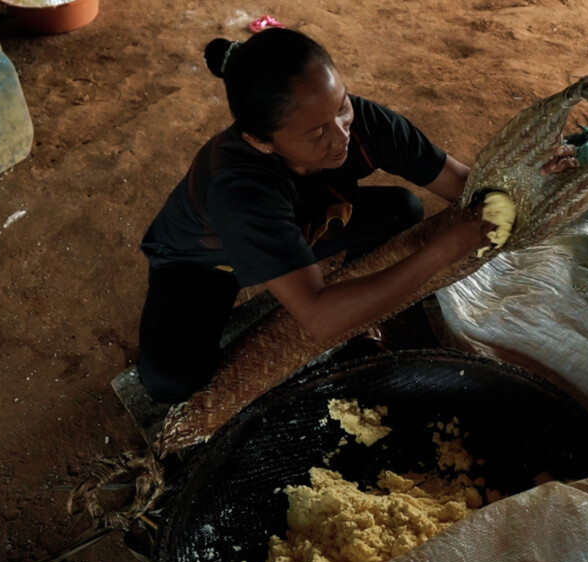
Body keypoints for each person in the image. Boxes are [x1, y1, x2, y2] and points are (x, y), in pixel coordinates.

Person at [136, 28, 495, 404]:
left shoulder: (363, 125)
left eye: (341, 106)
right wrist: (442, 251)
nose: (341, 136)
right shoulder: (241, 190)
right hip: (207, 264)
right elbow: (318, 318)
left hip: (300, 226)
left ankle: (360, 323)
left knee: (400, 211)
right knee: (170, 380)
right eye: (316, 133)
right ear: (262, 142)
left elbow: (465, 185)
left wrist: (528, 174)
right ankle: (341, 303)